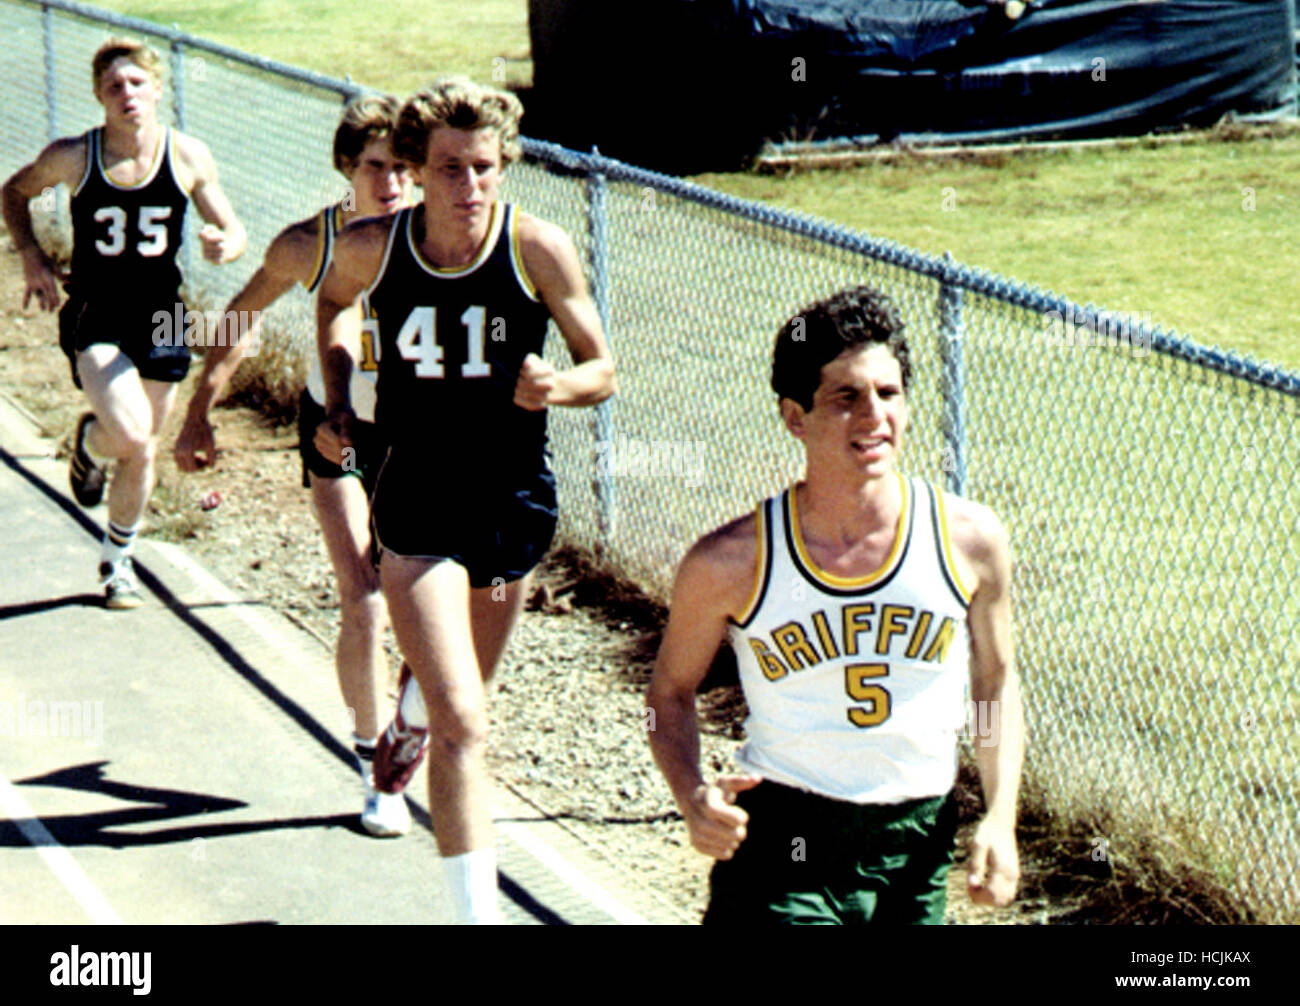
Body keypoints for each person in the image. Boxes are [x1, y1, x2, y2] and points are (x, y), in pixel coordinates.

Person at [314, 76, 616, 924]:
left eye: (484, 166)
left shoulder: (538, 249)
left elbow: (604, 367)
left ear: (504, 165)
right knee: (466, 725)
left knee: (460, 693)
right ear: (417, 168)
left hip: (510, 500)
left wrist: (558, 385)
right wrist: (340, 393)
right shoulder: (377, 246)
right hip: (415, 495)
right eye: (449, 168)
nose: (469, 186)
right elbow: (332, 302)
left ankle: (410, 706)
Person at [646, 285, 1023, 925]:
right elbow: (669, 695)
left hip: (917, 842)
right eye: (845, 398)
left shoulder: (970, 540)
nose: (874, 416)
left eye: (888, 393)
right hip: (784, 842)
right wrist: (692, 797)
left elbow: (993, 682)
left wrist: (999, 814)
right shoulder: (730, 562)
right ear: (796, 417)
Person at [171, 95, 416, 837]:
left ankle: (414, 713)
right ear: (347, 168)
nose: (392, 183)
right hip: (334, 430)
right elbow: (239, 319)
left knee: (426, 604)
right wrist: (197, 410)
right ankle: (375, 763)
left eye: (404, 167)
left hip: (418, 441)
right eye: (376, 167)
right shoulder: (309, 243)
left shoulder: (439, 239)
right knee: (364, 597)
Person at [2, 36, 245, 609]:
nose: (126, 93)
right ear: (99, 96)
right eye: (114, 86)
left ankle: (117, 559)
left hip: (163, 313)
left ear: (158, 89)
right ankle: (92, 441)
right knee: (133, 434)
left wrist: (224, 244)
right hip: (97, 310)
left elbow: (232, 230)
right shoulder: (76, 155)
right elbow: (14, 192)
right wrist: (33, 256)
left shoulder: (187, 155)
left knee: (141, 448)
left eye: (137, 82)